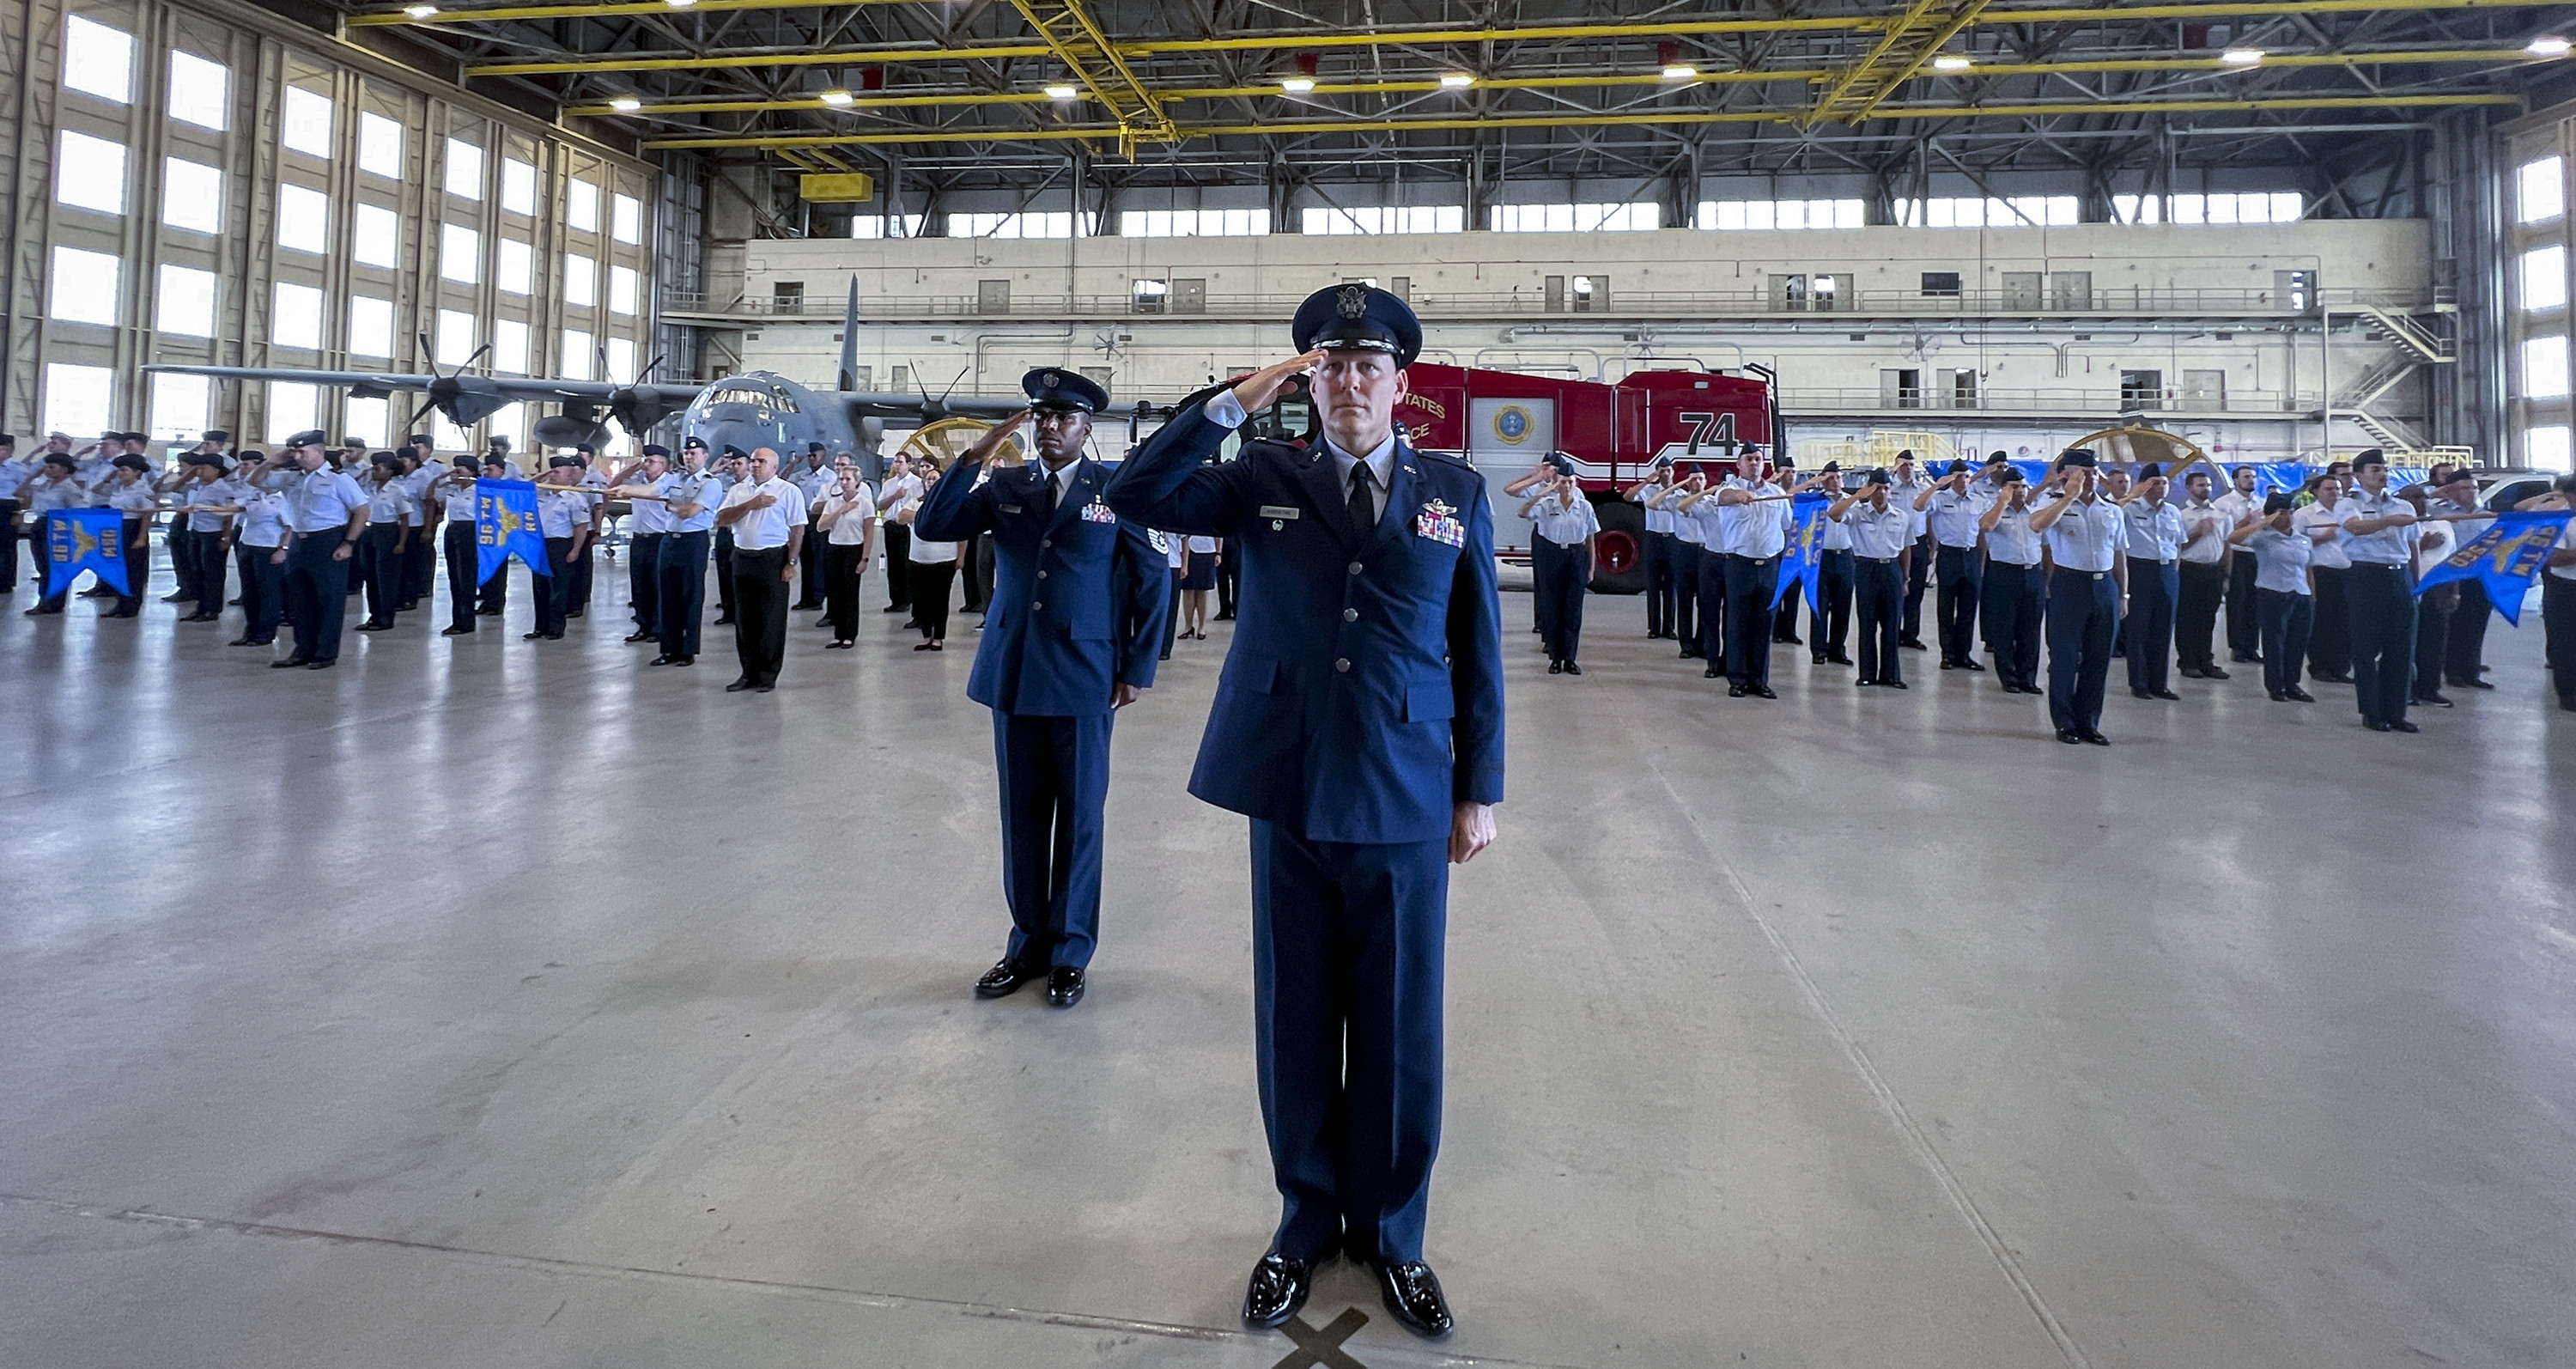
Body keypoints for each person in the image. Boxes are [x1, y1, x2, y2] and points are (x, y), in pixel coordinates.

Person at [1104, 284, 1500, 1342]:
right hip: (1287, 780)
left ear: (1402, 385)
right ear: (1307, 383)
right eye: (1330, 365)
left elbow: (1478, 650)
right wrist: (1234, 398)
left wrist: (1480, 787)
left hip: (1409, 789)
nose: (1350, 382)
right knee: (1296, 1016)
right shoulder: (1260, 476)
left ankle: (1396, 1235)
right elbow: (1138, 490)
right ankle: (1301, 1223)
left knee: (1402, 1025)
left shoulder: (1453, 485)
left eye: (1368, 366)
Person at [916, 368, 1170, 1009]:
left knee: (1081, 820)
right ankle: (1025, 944)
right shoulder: (1005, 485)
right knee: (1022, 819)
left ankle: (1070, 951)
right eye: (1043, 417)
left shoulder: (1115, 488)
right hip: (1014, 671)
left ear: (1088, 428)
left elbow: (1152, 579)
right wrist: (974, 455)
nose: (1052, 427)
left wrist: (1137, 668)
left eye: (1065, 418)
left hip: (1086, 676)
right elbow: (933, 523)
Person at [2029, 451, 2123, 745]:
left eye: (2094, 473)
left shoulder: (2111, 509)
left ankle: (2088, 721)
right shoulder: (2053, 505)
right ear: (2068, 475)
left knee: (2098, 659)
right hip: (2069, 584)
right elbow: (2036, 525)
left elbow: (2119, 553)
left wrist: (2124, 594)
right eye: (2083, 473)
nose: (2090, 478)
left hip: (2105, 584)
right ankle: (2065, 722)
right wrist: (2068, 497)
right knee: (2065, 657)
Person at [2336, 450, 2421, 733]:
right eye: (2374, 469)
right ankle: (2372, 712)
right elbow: (2355, 528)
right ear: (2358, 475)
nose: (2381, 474)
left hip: (2400, 577)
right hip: (2366, 576)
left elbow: (2412, 548)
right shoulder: (2349, 503)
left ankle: (2397, 711)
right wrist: (2387, 522)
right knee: (2366, 647)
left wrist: (2416, 583)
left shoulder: (2403, 506)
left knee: (2401, 648)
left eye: (2384, 469)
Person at [272, 430, 369, 668]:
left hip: (328, 541)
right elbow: (254, 481)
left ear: (319, 452)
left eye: (302, 452)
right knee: (300, 599)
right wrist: (272, 461)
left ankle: (325, 653)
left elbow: (362, 511)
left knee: (329, 599)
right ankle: (302, 649)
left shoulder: (339, 479)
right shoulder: (291, 477)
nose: (296, 456)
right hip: (299, 541)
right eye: (294, 451)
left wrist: (348, 543)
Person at [714, 445, 807, 691]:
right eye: (753, 461)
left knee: (771, 620)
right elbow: (721, 519)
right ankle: (748, 673)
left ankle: (768, 675)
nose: (755, 465)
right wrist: (751, 504)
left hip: (772, 559)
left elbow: (798, 529)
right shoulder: (739, 490)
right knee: (745, 621)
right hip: (743, 558)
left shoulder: (789, 491)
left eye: (761, 461)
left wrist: (791, 562)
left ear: (774, 467)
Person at [1714, 454, 1795, 697]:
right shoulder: (1729, 488)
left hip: (1769, 566)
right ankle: (1737, 679)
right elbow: (1722, 498)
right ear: (1739, 464)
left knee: (1764, 624)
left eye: (1758, 459)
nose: (1754, 463)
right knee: (1737, 623)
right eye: (1748, 459)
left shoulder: (1775, 492)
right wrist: (1739, 496)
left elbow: (1785, 526)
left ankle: (1759, 680)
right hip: (1740, 565)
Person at [2229, 492, 2318, 703]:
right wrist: (2260, 524)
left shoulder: (2302, 539)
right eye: (2282, 513)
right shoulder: (2262, 537)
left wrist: (2313, 597)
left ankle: (2292, 683)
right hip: (2273, 592)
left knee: (2297, 642)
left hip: (2300, 593)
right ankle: (2276, 685)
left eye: (2290, 512)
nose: (2288, 517)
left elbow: (2309, 569)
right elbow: (2233, 538)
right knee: (2274, 641)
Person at [2410, 468, 2488, 709]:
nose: (2471, 493)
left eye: (2474, 488)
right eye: (2466, 488)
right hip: (2445, 577)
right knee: (2449, 628)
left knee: (2476, 625)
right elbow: (2415, 498)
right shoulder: (2437, 514)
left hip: (2479, 574)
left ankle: (2470, 670)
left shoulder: (2487, 514)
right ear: (2452, 491)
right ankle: (2450, 671)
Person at [1830, 468, 1911, 688]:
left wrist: (1905, 579)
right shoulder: (1857, 513)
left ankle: (1891, 675)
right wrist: (1857, 496)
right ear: (1869, 490)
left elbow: (1905, 549)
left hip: (1892, 569)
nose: (1881, 493)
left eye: (1885, 488)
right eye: (1876, 488)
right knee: (1867, 624)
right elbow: (1834, 514)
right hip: (1867, 569)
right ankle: (1867, 674)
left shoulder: (1901, 516)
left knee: (1892, 625)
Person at [1520, 465, 1599, 674]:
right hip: (1553, 556)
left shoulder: (1585, 507)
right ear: (1558, 483)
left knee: (1573, 611)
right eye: (1563, 482)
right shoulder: (1546, 504)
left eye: (1571, 482)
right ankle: (1555, 658)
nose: (1567, 486)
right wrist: (1540, 494)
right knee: (1551, 607)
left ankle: (1570, 658)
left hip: (1576, 556)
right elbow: (1522, 513)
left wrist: (1591, 568)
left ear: (1576, 484)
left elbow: (1590, 539)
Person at [1977, 465, 2047, 695]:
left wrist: (2048, 579)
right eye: (2014, 487)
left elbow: (2047, 549)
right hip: (2004, 574)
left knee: (2031, 630)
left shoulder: (2036, 513)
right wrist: (2002, 502)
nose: (2020, 491)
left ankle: (2028, 677)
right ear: (2004, 489)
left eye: (2023, 486)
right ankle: (2008, 677)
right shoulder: (1995, 511)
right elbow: (1986, 526)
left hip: (2033, 573)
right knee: (2005, 628)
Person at [2117, 462, 2184, 700]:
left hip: (2167, 570)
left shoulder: (2173, 512)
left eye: (2164, 483)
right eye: (2154, 483)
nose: (2161, 487)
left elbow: (2178, 545)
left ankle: (2159, 684)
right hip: (2139, 570)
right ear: (2143, 486)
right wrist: (2129, 496)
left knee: (2163, 629)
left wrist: (2172, 573)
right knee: (2138, 629)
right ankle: (2140, 682)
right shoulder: (2129, 509)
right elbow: (2110, 515)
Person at [1915, 458, 1987, 671]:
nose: (1962, 481)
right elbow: (1918, 506)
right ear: (1950, 478)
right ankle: (1948, 654)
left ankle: (1964, 655)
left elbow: (1982, 532)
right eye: (1957, 477)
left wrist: (1981, 562)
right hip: (1949, 555)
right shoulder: (1940, 498)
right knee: (1946, 607)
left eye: (1965, 476)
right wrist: (1937, 485)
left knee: (1968, 608)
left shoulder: (1978, 500)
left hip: (1971, 555)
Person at [652, 441, 720, 667]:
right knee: (667, 597)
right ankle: (668, 649)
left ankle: (687, 650)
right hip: (669, 541)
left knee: (690, 596)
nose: (688, 457)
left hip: (693, 542)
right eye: (686, 453)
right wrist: (622, 490)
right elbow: (651, 491)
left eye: (693, 453)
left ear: (705, 456)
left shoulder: (711, 483)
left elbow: (690, 512)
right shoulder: (674, 479)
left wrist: (670, 507)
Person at [226, 452, 291, 647]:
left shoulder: (283, 500)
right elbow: (233, 508)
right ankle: (250, 631)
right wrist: (201, 507)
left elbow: (290, 527)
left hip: (269, 548)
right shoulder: (253, 495)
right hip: (248, 545)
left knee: (268, 592)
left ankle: (265, 633)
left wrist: (283, 549)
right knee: (249, 591)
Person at [2172, 468, 2232, 679]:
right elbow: (2178, 548)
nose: (2205, 488)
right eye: (2200, 485)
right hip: (2189, 570)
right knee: (2187, 618)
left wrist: (2226, 575)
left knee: (2208, 619)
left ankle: (2206, 661)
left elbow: (2227, 546)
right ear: (2189, 488)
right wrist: (2198, 532)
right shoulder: (2181, 516)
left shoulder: (2221, 515)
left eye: (2207, 485)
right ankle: (2188, 662)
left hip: (2213, 570)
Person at [611, 445, 673, 645]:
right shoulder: (637, 480)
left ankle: (658, 627)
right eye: (645, 461)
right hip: (639, 538)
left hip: (660, 539)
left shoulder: (670, 483)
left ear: (663, 465)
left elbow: (651, 493)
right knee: (639, 584)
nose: (647, 466)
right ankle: (643, 626)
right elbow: (613, 485)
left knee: (658, 585)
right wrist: (632, 468)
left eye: (651, 462)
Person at [524, 457, 591, 642]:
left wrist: (575, 550)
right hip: (540, 545)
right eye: (551, 471)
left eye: (557, 472)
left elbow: (581, 526)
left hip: (560, 545)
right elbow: (524, 486)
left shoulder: (574, 498)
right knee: (540, 587)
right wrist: (545, 474)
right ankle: (540, 627)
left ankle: (555, 628)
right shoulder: (542, 493)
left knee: (558, 588)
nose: (552, 475)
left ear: (569, 477)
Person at [2295, 475, 2354, 683]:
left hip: (2348, 572)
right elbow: (2295, 544)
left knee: (2346, 622)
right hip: (2321, 572)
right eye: (2329, 489)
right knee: (2322, 621)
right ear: (2316, 492)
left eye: (2338, 489)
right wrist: (2323, 538)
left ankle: (2341, 667)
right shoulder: (2305, 515)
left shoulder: (2350, 513)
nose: (2335, 493)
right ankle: (2320, 666)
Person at [815, 457, 877, 648]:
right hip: (835, 548)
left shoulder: (865, 503)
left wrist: (864, 558)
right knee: (835, 592)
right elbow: (821, 526)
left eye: (847, 479)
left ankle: (850, 633)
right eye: (841, 479)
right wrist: (841, 509)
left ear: (857, 481)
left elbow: (868, 533)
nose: (843, 482)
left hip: (853, 549)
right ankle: (838, 633)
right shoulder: (834, 502)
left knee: (849, 594)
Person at [896, 457, 957, 650]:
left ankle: (938, 636)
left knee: (940, 600)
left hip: (944, 559)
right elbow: (901, 517)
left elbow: (960, 533)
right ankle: (925, 635)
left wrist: (962, 557)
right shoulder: (916, 501)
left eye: (934, 479)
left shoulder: (949, 504)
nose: (930, 482)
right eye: (928, 479)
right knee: (921, 599)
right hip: (918, 558)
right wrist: (925, 516)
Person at [170, 453, 238, 621]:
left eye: (203, 468)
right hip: (195, 531)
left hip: (213, 534)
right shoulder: (198, 486)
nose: (199, 471)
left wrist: (226, 537)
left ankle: (212, 609)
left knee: (212, 574)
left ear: (216, 470)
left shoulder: (223, 489)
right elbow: (176, 488)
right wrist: (191, 472)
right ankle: (201, 607)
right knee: (197, 571)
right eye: (198, 468)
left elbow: (228, 514)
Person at [352, 453, 411, 632]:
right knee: (370, 575)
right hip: (369, 531)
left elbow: (404, 520)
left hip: (388, 532)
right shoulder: (369, 487)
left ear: (390, 471)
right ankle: (374, 615)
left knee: (386, 577)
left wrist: (401, 543)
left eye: (378, 468)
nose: (373, 471)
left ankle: (386, 617)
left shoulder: (397, 490)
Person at [95, 455, 160, 618]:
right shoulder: (119, 488)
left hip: (132, 528)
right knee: (119, 569)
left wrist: (141, 538)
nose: (120, 473)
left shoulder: (143, 490)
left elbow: (147, 515)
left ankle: (131, 606)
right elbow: (96, 489)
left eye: (124, 470)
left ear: (136, 472)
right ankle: (120, 604)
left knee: (133, 571)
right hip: (117, 528)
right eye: (119, 470)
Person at [2214, 463, 2264, 663]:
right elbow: (2222, 533)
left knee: (2255, 602)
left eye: (2253, 477)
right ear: (2236, 481)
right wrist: (2246, 521)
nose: (2251, 480)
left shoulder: (2262, 502)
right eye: (2246, 477)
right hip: (2235, 554)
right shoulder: (2224, 504)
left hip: (2257, 554)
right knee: (2237, 601)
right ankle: (2238, 647)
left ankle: (2252, 647)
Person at [1653, 465, 1704, 659]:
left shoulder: (1712, 501)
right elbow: (1652, 504)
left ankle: (1702, 643)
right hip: (1684, 550)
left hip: (1705, 552)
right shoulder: (1677, 500)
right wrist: (1676, 486)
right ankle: (1686, 645)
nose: (1697, 483)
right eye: (1693, 479)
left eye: (1700, 479)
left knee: (1705, 601)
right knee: (1684, 600)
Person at [428, 455, 483, 636]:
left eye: (463, 468)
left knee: (466, 576)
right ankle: (457, 619)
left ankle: (466, 621)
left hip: (470, 530)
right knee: (454, 575)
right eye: (456, 467)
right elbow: (430, 495)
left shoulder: (480, 490)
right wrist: (441, 478)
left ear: (473, 472)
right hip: (452, 528)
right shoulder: (452, 488)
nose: (458, 471)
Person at [1808, 462, 1855, 666]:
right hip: (1821, 556)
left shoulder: (1851, 501)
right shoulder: (1815, 500)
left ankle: (1837, 648)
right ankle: (1819, 649)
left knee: (1842, 605)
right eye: (1830, 478)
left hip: (1845, 555)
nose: (1835, 482)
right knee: (1819, 604)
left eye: (1838, 477)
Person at [1629, 457, 1680, 640]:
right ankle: (1654, 627)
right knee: (1652, 584)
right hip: (1653, 538)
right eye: (1662, 471)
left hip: (1673, 539)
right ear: (1657, 472)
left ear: (1673, 472)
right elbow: (1628, 496)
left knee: (1671, 587)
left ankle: (1669, 627)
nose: (1665, 474)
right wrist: (1646, 481)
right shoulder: (1649, 491)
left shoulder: (1679, 493)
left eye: (1668, 470)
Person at [2539, 475, 2576, 712]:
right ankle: (2568, 693)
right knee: (2566, 644)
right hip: (2566, 588)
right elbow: (2554, 558)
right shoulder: (2560, 522)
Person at [1891, 450, 1933, 650]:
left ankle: (1910, 634)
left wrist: (1933, 545)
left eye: (1910, 464)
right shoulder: (1887, 488)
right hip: (1894, 544)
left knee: (1915, 592)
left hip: (1918, 543)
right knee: (1894, 589)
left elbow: (1930, 518)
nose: (1908, 468)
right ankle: (1893, 632)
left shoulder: (1924, 489)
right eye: (1903, 465)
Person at [788, 441, 835, 611]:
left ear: (823, 456)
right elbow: (782, 480)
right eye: (809, 456)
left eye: (815, 455)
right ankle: (805, 598)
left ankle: (817, 598)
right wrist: (793, 464)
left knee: (819, 560)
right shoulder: (802, 475)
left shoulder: (831, 478)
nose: (811, 459)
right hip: (803, 520)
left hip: (819, 520)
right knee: (806, 560)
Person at [878, 451, 921, 618]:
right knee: (893, 564)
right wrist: (895, 496)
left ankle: (907, 599)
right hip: (891, 525)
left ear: (909, 465)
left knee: (905, 563)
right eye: (895, 462)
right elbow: (880, 505)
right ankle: (895, 599)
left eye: (900, 462)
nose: (897, 465)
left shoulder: (917, 483)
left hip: (907, 527)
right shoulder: (889, 484)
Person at [1179, 532, 1220, 638]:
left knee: (1202, 590)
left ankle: (1202, 626)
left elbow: (1218, 531)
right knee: (1188, 590)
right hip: (1186, 549)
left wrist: (1218, 553)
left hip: (1206, 550)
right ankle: (1188, 626)